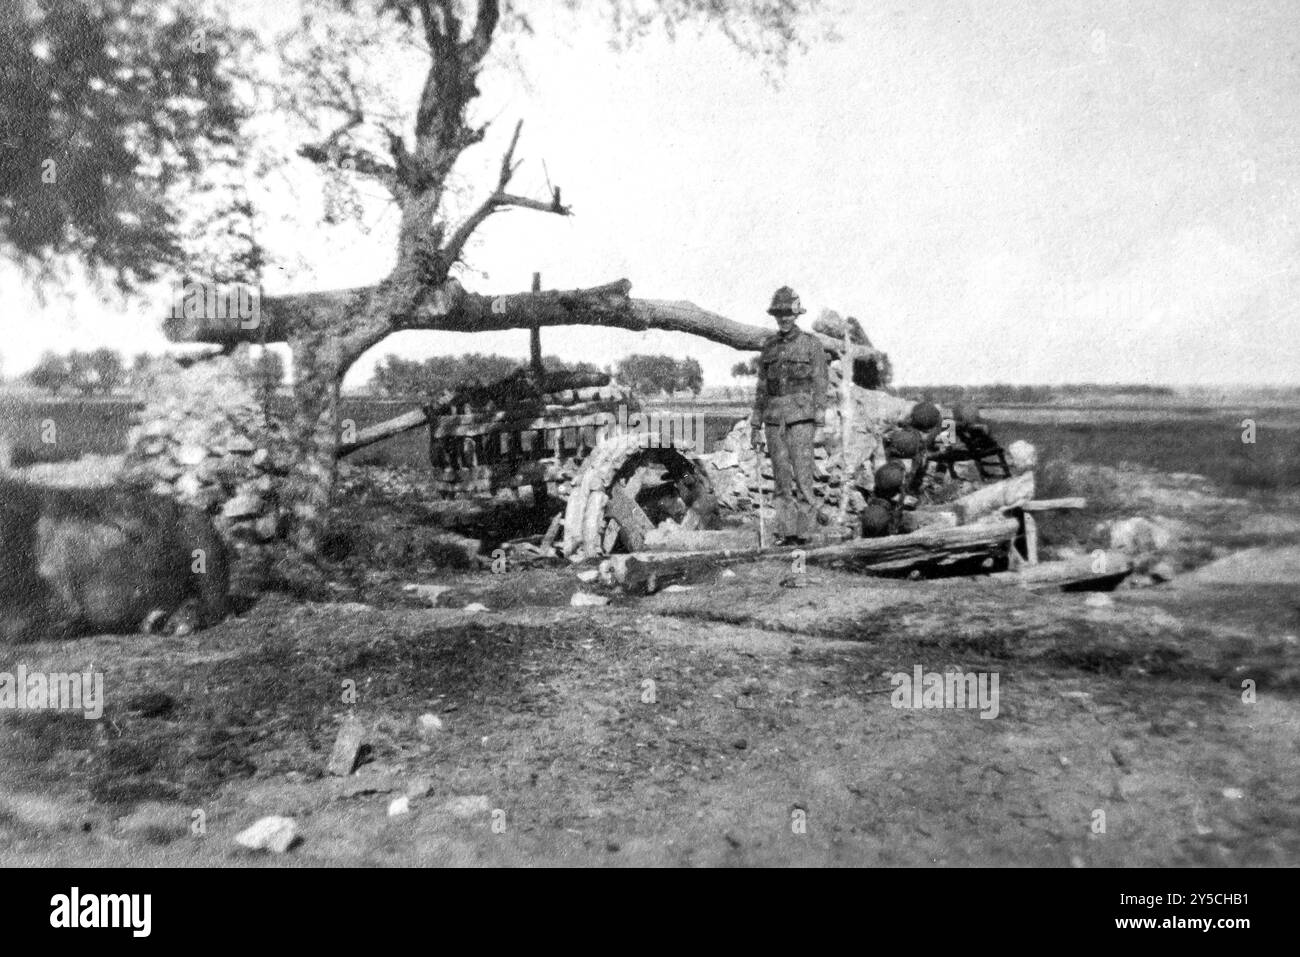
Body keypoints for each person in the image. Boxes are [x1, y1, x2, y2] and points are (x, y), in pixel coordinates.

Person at [750, 286, 829, 544]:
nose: (783, 319)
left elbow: (820, 382)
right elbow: (762, 388)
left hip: (801, 419)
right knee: (781, 479)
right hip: (774, 420)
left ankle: (806, 533)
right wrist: (755, 424)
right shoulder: (769, 347)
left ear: (796, 315)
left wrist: (819, 417)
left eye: (787, 314)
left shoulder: (811, 344)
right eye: (779, 314)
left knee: (804, 478)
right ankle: (788, 533)